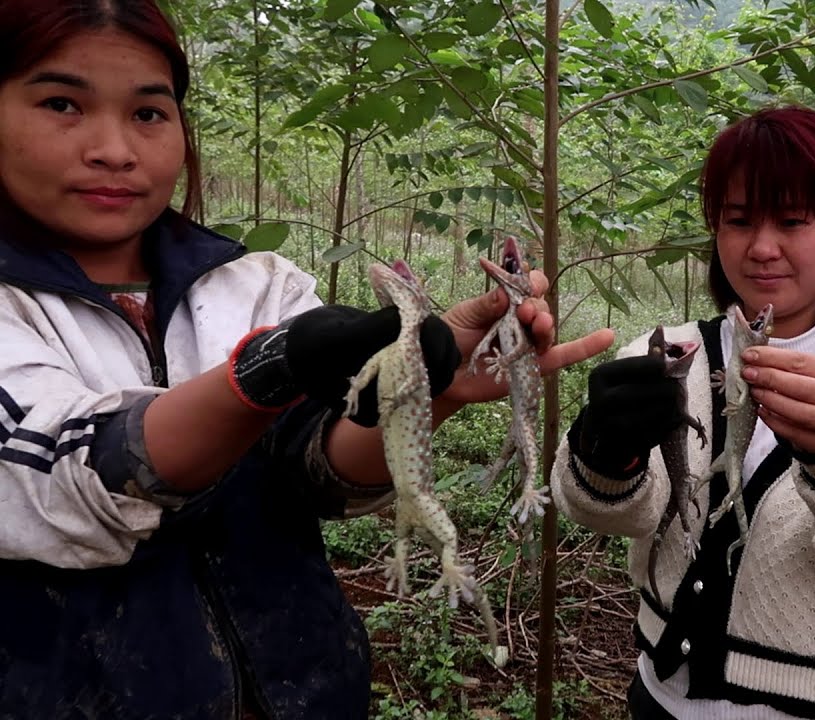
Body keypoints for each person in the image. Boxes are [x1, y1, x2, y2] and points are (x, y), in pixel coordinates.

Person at [0, 1, 613, 718]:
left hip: (309, 691)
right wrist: (263, 372)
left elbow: (319, 473)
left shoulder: (256, 283)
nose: (114, 148)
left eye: (148, 113)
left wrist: (430, 391)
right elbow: (67, 474)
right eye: (62, 103)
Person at [549, 105, 815, 719]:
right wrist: (605, 451)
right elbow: (610, 510)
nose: (763, 247)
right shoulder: (670, 354)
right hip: (661, 700)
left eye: (793, 220)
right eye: (739, 220)